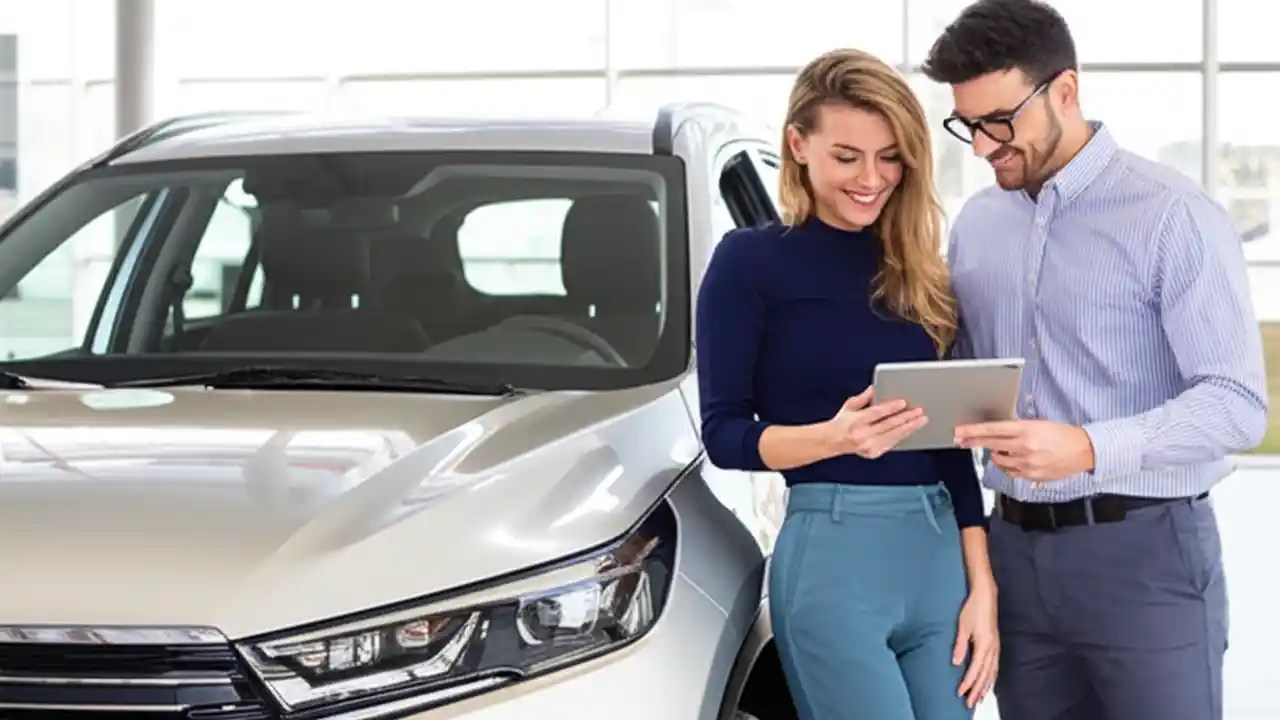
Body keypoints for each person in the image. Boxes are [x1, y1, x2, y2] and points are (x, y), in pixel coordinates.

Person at [921, 2, 1269, 719]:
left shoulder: (1172, 215)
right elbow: (964, 375)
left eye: (999, 122)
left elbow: (1237, 403)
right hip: (1013, 550)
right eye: (967, 125)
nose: (983, 147)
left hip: (1146, 555)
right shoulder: (979, 224)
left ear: (1066, 92)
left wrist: (1087, 447)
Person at [695, 48, 999, 720]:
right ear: (798, 146)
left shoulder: (919, 274)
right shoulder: (750, 262)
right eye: (847, 156)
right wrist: (830, 438)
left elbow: (952, 451)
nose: (872, 178)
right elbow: (723, 434)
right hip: (833, 559)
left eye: (890, 156)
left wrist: (983, 590)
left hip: (937, 555)